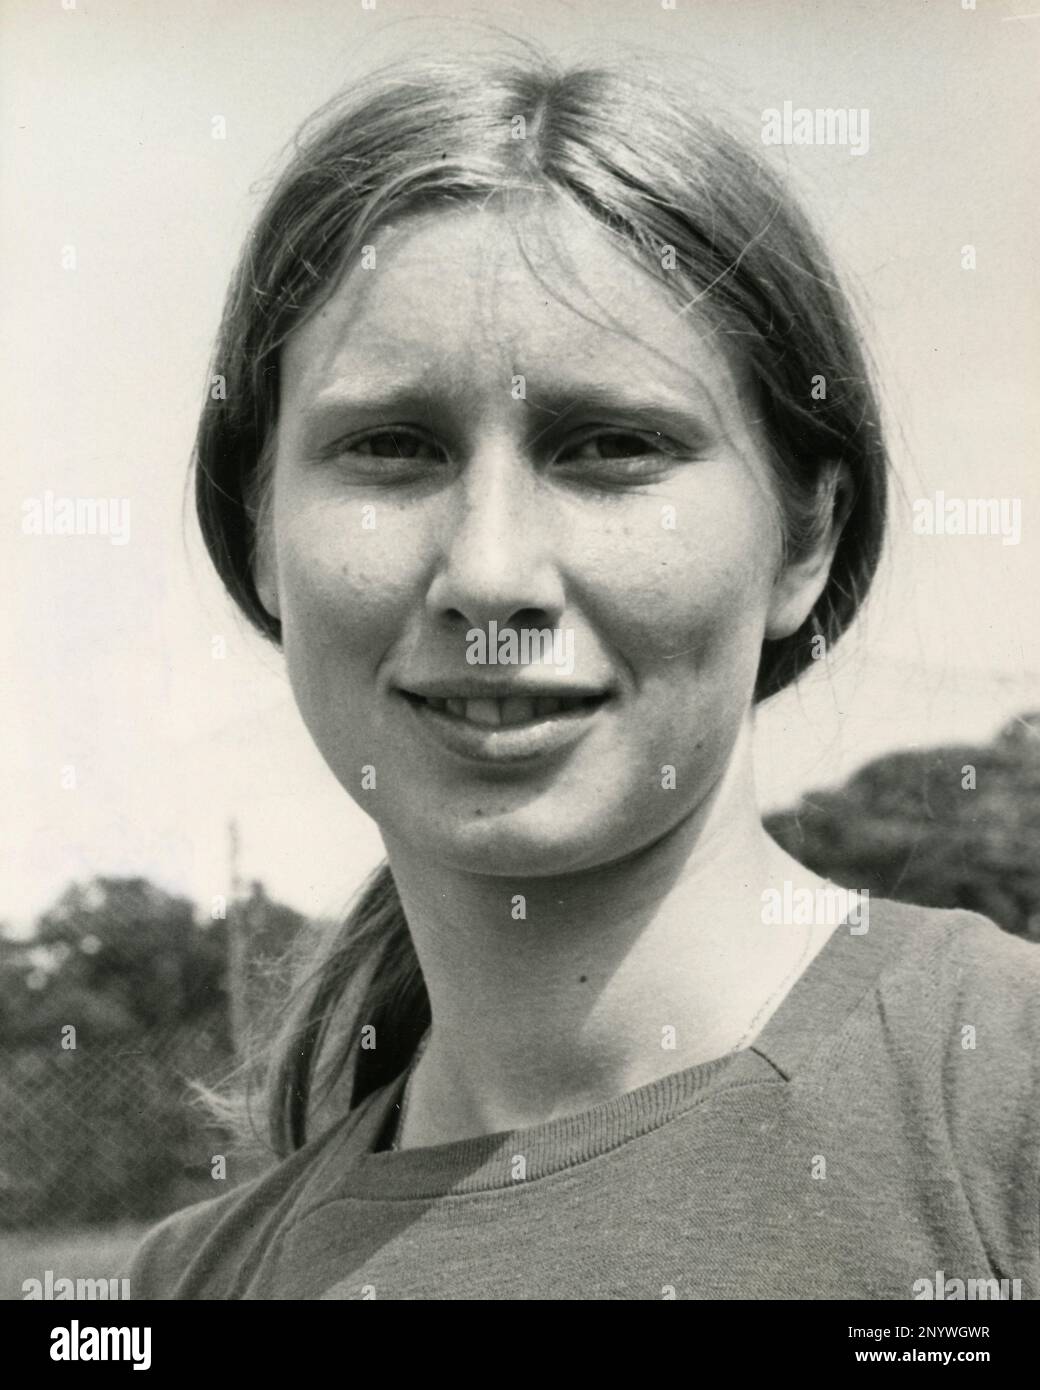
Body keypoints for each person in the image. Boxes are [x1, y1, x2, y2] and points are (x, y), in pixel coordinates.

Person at [127, 51, 1040, 1300]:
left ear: (806, 535)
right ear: (257, 534)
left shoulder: (1002, 1099)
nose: (489, 575)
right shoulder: (178, 1291)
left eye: (611, 446)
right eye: (390, 448)